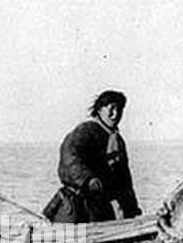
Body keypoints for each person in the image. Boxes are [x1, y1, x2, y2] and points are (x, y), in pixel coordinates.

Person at [43, 90, 142, 224]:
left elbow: (123, 179)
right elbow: (70, 157)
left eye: (120, 109)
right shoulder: (85, 131)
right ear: (100, 110)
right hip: (75, 207)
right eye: (111, 109)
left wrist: (131, 210)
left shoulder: (118, 141)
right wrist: (87, 179)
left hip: (100, 209)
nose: (116, 114)